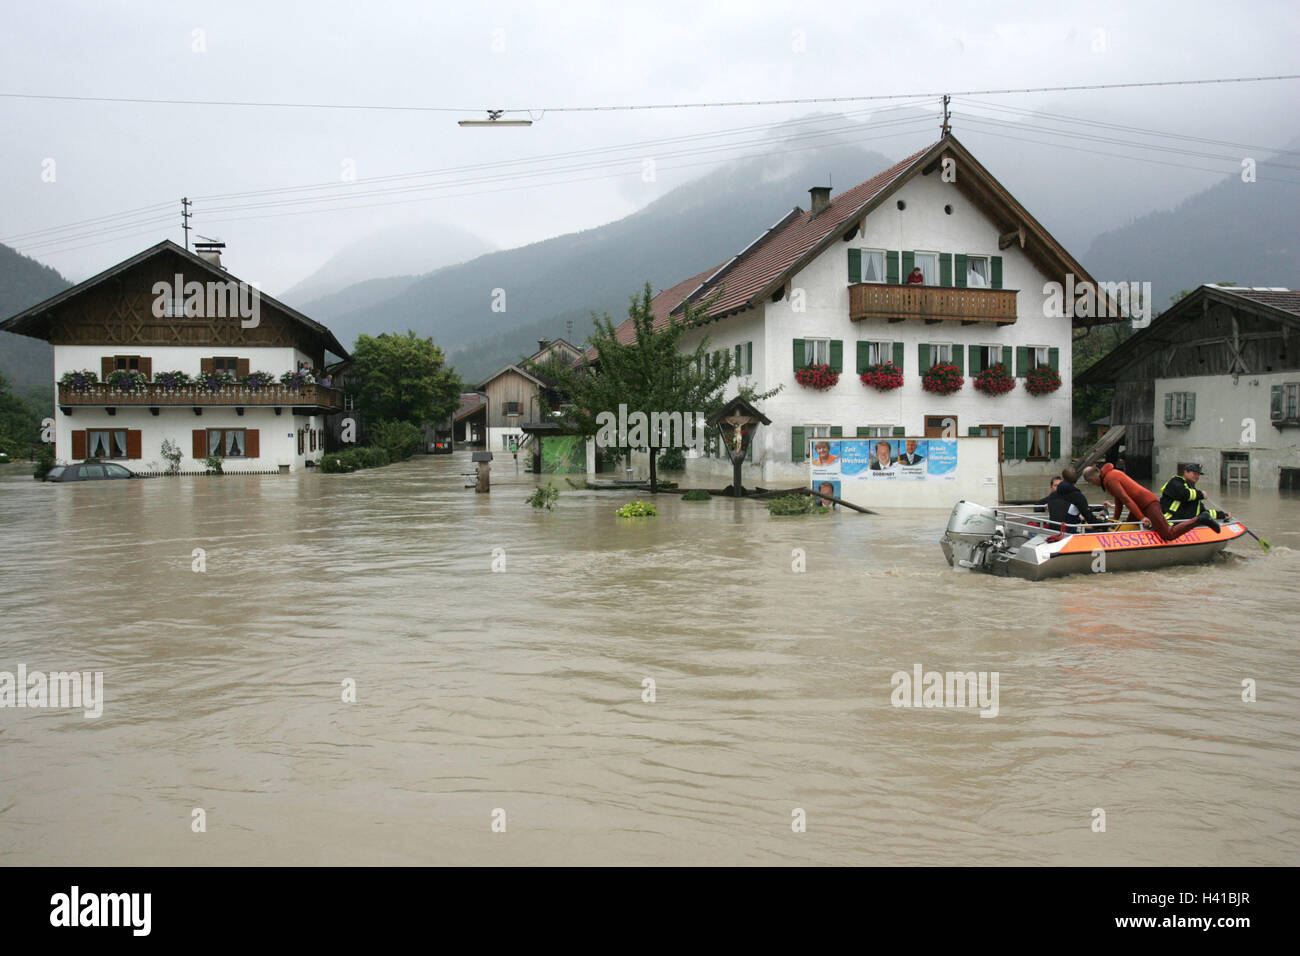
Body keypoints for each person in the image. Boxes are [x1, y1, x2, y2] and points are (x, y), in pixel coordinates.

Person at [1083, 462, 1219, 541]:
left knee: (1168, 534)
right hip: (1140, 505)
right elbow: (1119, 500)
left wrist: (1142, 517)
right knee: (1128, 528)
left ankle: (1201, 519)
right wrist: (1115, 519)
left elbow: (1126, 500)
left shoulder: (1110, 479)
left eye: (1090, 482)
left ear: (1094, 478)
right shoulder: (1110, 477)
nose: (1092, 485)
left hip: (1148, 504)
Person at [1160, 462, 1230, 523]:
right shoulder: (1175, 481)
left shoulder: (1193, 492)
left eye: (1198, 474)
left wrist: (1221, 515)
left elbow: (1201, 512)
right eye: (1194, 473)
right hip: (1169, 522)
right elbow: (1184, 494)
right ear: (1185, 472)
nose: (1197, 476)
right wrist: (1201, 494)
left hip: (1184, 526)